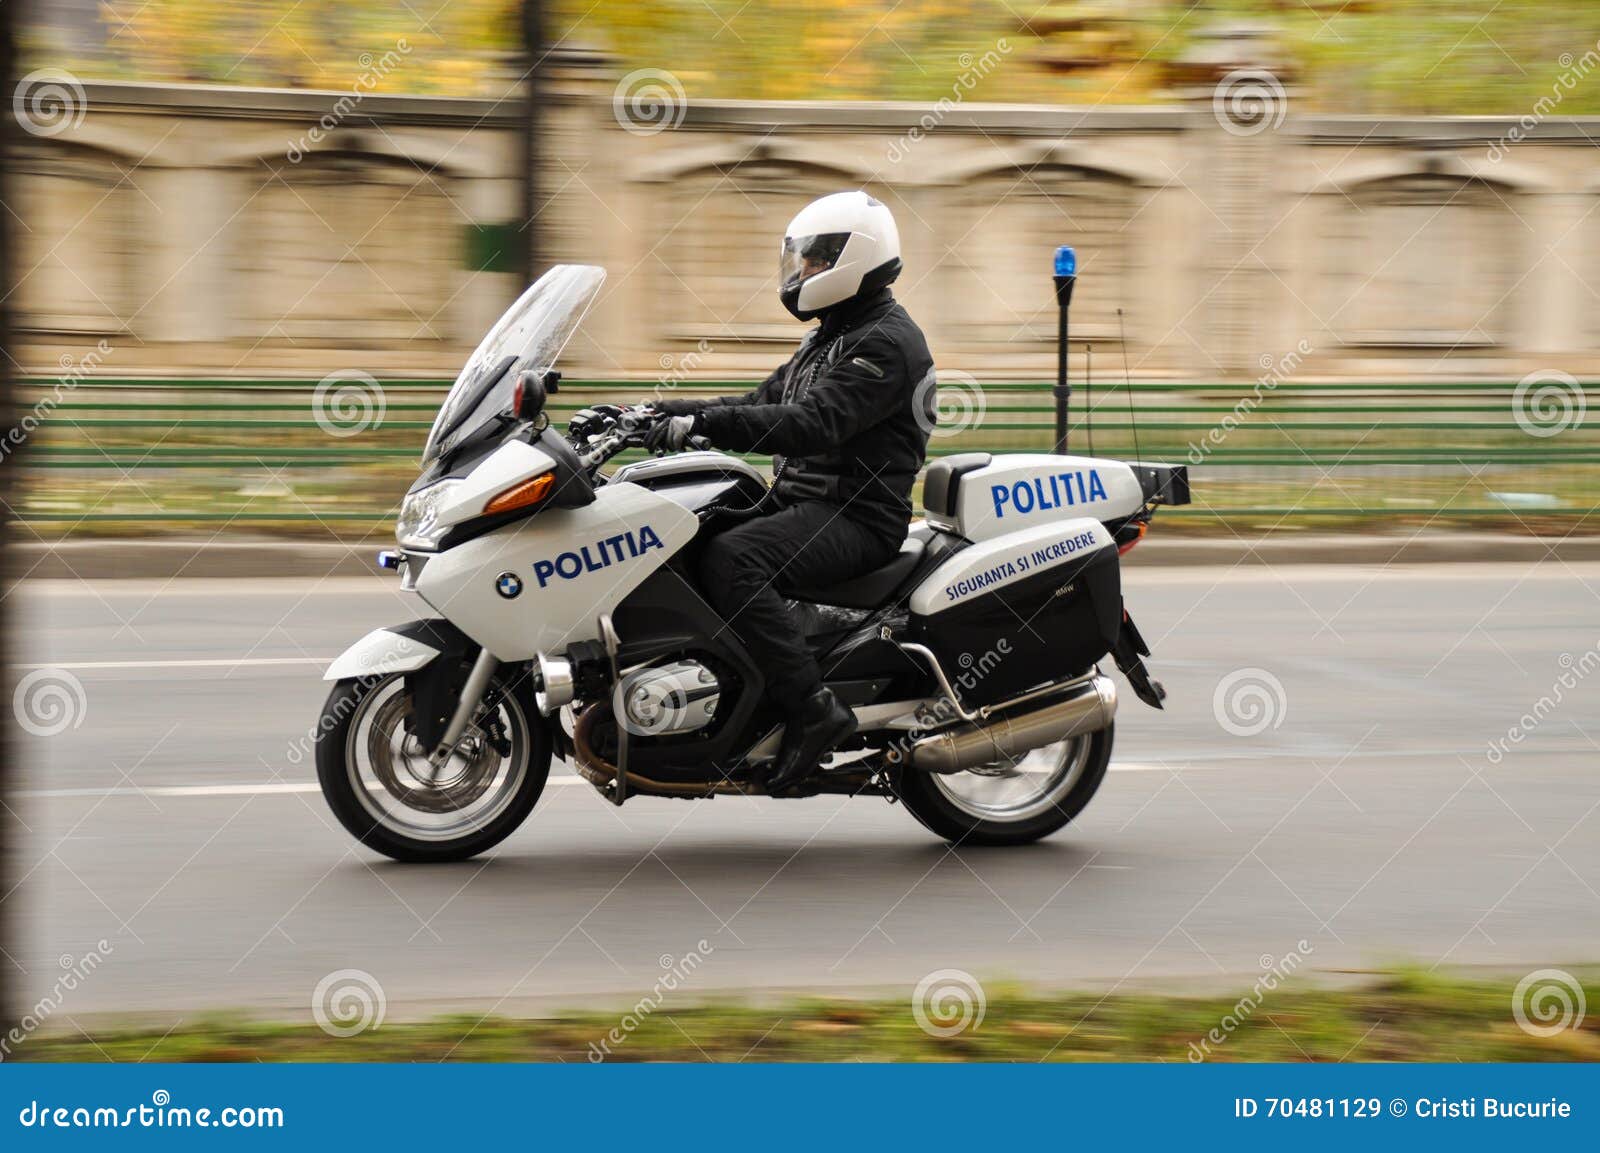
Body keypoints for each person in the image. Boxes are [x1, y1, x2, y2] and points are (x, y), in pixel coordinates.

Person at [643, 190, 935, 793]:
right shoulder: (834, 334)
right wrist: (653, 412)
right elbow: (757, 405)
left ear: (854, 260)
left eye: (815, 260)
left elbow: (812, 424)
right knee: (689, 533)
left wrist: (698, 425)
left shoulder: (884, 343)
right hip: (808, 501)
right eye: (800, 259)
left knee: (735, 558)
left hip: (856, 516)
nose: (801, 272)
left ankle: (812, 710)